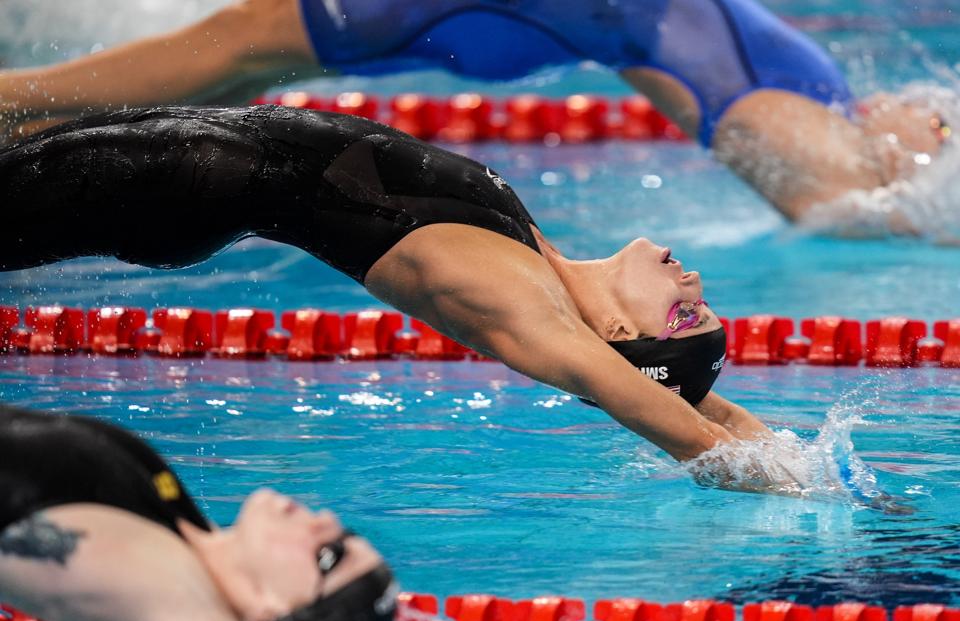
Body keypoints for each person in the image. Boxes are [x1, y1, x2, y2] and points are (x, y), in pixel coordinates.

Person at [1, 104, 800, 494]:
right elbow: (702, 408)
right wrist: (798, 453)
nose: (692, 282)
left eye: (687, 314)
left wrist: (819, 508)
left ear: (621, 332)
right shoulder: (534, 259)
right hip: (190, 154)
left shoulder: (524, 310)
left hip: (177, 177)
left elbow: (665, 416)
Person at [0, 0, 950, 231]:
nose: (942, 119)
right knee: (190, 75)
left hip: (500, 15)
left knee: (203, 74)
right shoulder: (791, 102)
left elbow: (841, 210)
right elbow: (859, 212)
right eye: (944, 120)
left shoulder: (797, 104)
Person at [0, 404, 399, 621]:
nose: (328, 520)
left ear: (273, 609)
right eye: (349, 534)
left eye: (330, 555)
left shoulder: (166, 593)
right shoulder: (189, 536)